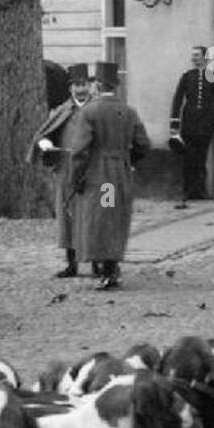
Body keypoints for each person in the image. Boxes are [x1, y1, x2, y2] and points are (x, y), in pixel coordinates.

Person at [69, 62, 151, 291]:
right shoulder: (128, 111)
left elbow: (79, 151)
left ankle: (108, 269)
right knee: (115, 219)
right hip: (120, 172)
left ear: (98, 85)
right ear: (115, 86)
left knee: (102, 220)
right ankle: (110, 266)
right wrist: (127, 160)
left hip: (100, 174)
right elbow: (144, 145)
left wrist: (75, 178)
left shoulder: (90, 111)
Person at [29, 63, 93, 279]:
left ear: (90, 87)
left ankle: (98, 263)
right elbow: (45, 133)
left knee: (96, 216)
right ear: (70, 88)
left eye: (84, 85)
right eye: (76, 85)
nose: (80, 90)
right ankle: (72, 263)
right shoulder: (61, 111)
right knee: (68, 218)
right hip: (67, 171)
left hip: (94, 171)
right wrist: (46, 144)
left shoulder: (98, 110)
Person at [169, 46, 214, 209]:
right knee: (189, 158)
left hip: (206, 124)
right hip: (189, 123)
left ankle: (201, 191)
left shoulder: (213, 77)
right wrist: (174, 123)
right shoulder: (187, 77)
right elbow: (178, 100)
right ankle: (188, 190)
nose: (194, 58)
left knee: (201, 158)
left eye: (197, 55)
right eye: (192, 56)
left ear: (205, 57)